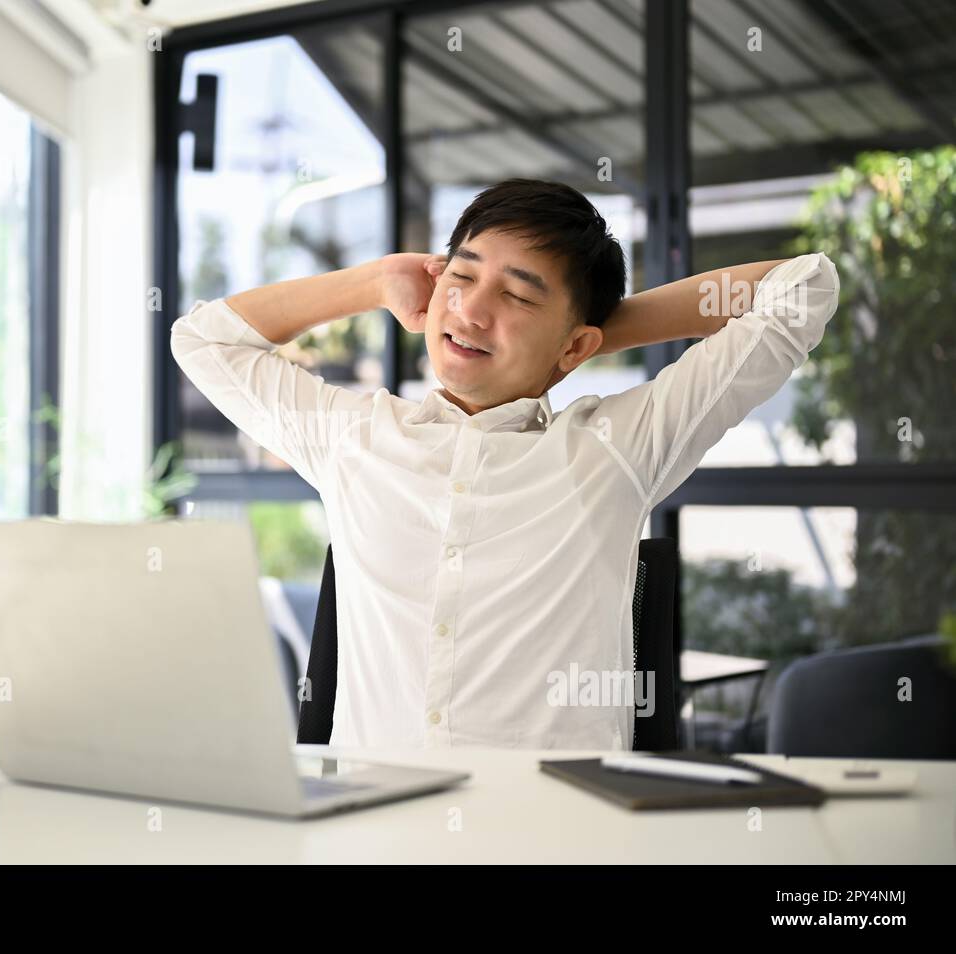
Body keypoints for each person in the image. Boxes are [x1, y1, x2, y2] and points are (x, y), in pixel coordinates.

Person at [171, 177, 840, 750]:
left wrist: (591, 336)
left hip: (550, 836)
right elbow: (201, 340)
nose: (471, 307)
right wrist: (375, 282)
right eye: (460, 276)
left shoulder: (616, 447)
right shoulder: (356, 437)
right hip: (373, 832)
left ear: (578, 343)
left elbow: (802, 288)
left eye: (518, 296)